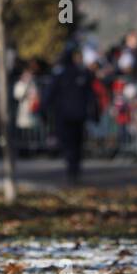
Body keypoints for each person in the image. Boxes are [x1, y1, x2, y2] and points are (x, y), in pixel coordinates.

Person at [46, 46, 98, 185]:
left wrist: (44, 111)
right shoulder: (79, 74)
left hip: (66, 115)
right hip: (75, 115)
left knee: (70, 144)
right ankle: (74, 170)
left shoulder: (64, 75)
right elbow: (91, 96)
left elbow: (49, 95)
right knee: (75, 144)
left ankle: (73, 170)